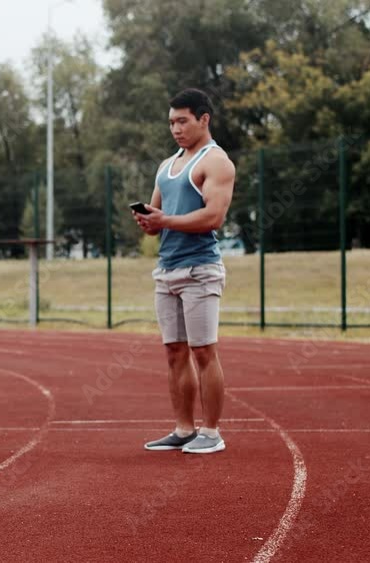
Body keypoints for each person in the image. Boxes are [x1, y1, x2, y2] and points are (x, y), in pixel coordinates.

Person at [133, 88, 236, 454]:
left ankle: (211, 432)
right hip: (167, 270)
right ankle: (183, 428)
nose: (176, 129)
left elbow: (214, 216)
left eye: (182, 121)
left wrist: (166, 220)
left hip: (200, 270)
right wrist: (148, 221)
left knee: (203, 351)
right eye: (171, 122)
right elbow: (158, 219)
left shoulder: (216, 162)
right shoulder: (167, 165)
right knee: (175, 352)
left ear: (203, 119)